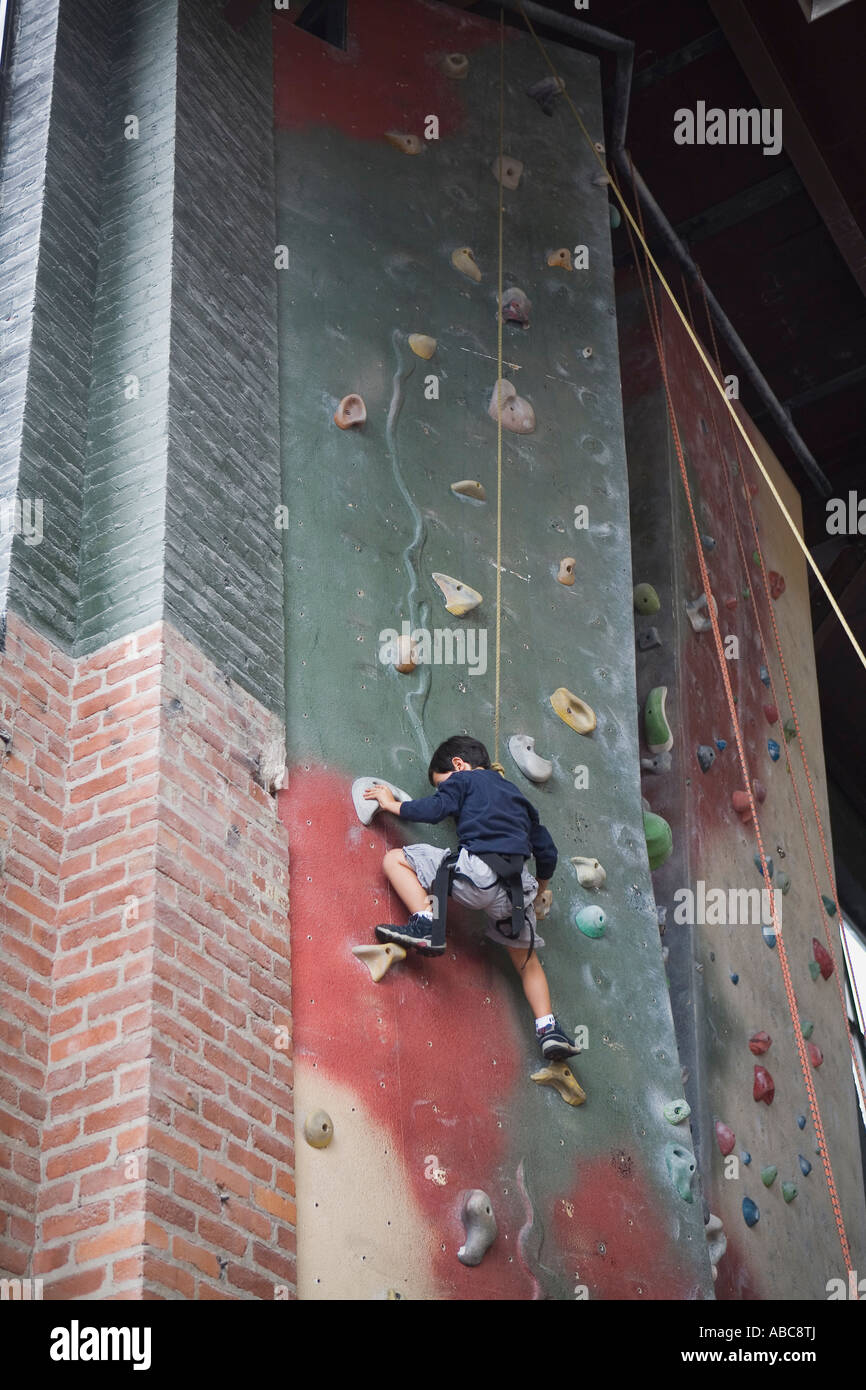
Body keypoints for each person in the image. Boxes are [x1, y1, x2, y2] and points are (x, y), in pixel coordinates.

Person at [363, 735, 579, 1061]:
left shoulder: (464, 779)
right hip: (515, 895)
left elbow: (437, 809)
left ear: (459, 766)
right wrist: (541, 890)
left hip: (475, 875)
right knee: (527, 961)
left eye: (443, 783)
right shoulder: (520, 801)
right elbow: (547, 852)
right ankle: (548, 1028)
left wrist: (390, 803)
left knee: (394, 860)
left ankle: (425, 923)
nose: (444, 789)